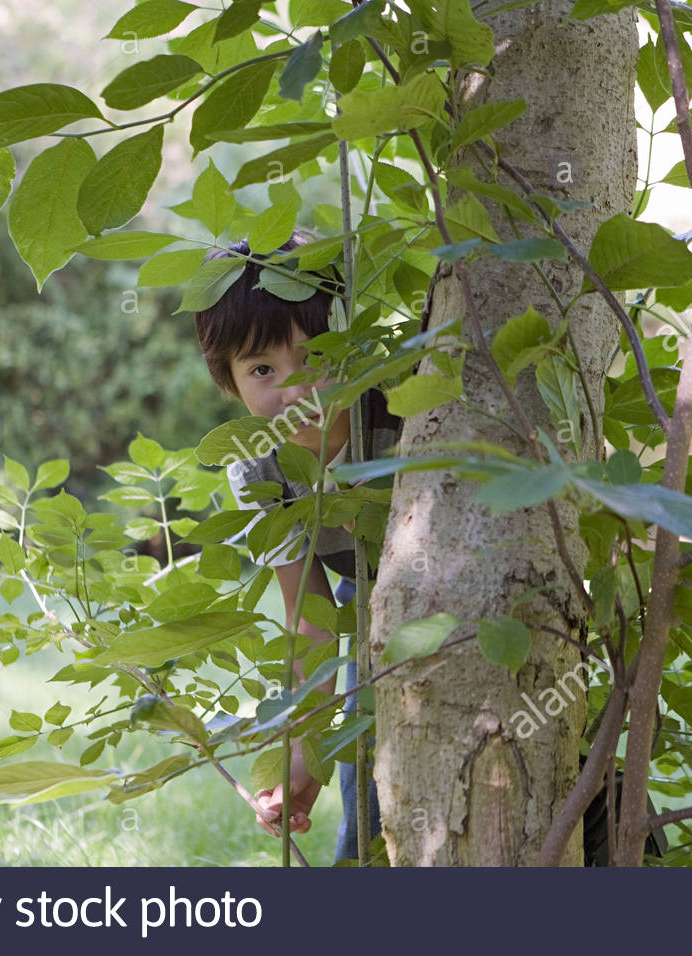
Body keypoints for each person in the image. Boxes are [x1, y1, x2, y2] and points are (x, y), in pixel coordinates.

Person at [192, 227, 397, 863]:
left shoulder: (399, 414)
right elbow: (310, 621)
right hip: (359, 594)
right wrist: (304, 750)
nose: (296, 389)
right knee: (365, 764)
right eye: (262, 369)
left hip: (440, 590)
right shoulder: (257, 469)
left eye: (315, 358)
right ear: (228, 381)